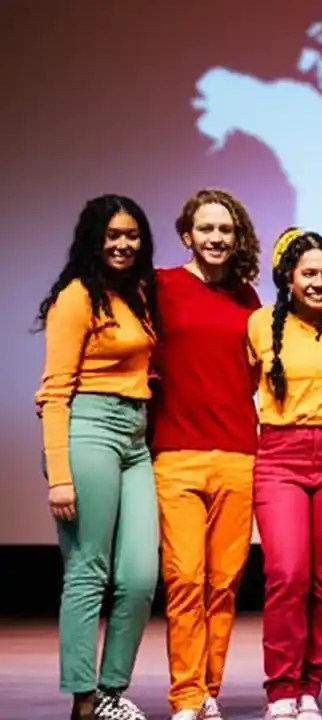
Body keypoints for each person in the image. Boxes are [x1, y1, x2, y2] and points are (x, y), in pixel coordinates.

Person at [36, 194, 160, 720]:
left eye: (131, 235)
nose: (123, 244)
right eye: (113, 235)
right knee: (88, 568)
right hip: (88, 428)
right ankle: (84, 699)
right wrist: (59, 476)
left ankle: (111, 688)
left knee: (139, 575)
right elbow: (54, 392)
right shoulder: (77, 298)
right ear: (93, 239)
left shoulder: (136, 295)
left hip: (135, 435)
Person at [151, 188, 263, 720]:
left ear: (236, 236)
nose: (216, 238)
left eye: (225, 230)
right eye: (207, 229)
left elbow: (259, 371)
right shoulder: (162, 286)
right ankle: (186, 694)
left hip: (240, 452)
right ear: (187, 236)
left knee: (224, 582)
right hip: (176, 453)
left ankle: (209, 691)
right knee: (184, 578)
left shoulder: (248, 298)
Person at [250, 229, 322, 720]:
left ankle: (312, 685)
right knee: (286, 573)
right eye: (309, 274)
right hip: (279, 455)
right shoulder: (258, 325)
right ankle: (281, 688)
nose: (320, 283)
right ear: (288, 279)